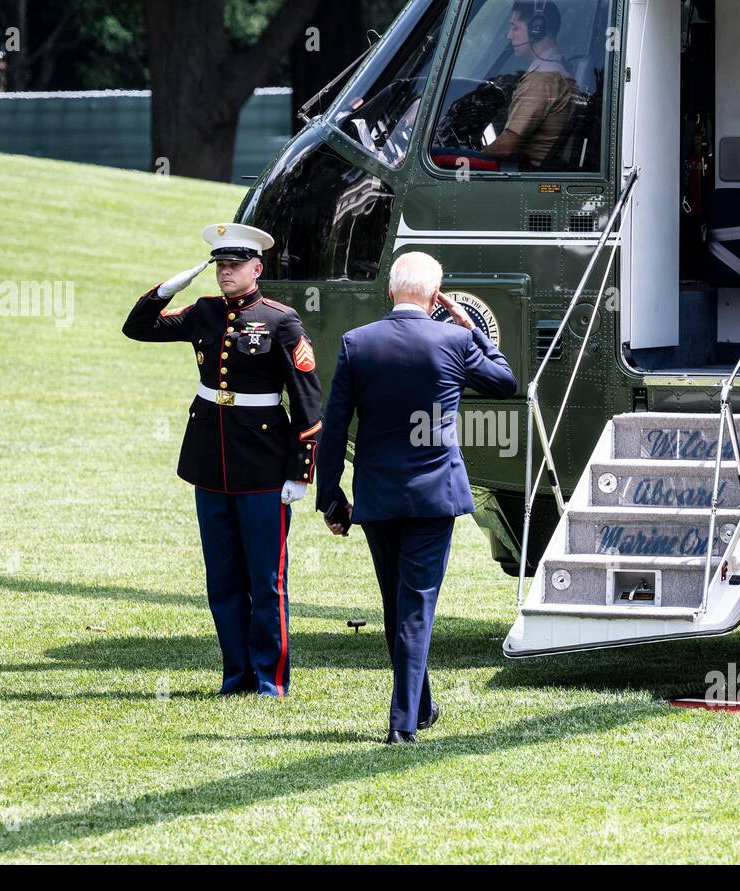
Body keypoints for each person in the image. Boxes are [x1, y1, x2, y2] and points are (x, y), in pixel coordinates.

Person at [315, 252, 517, 744]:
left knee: (395, 603)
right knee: (416, 606)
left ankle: (420, 707)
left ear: (390, 290)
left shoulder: (357, 343)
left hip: (377, 496)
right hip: (434, 495)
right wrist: (474, 329)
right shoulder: (454, 339)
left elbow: (334, 424)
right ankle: (403, 723)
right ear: (435, 296)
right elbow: (505, 383)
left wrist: (329, 499)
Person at [123, 224, 323, 699]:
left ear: (257, 268)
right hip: (210, 463)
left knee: (266, 581)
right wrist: (166, 290)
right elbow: (137, 329)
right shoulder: (204, 312)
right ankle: (234, 677)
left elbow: (309, 404)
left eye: (235, 265)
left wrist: (300, 471)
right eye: (220, 265)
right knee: (223, 581)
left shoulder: (281, 320)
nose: (226, 273)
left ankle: (269, 680)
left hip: (262, 465)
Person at [484, 1, 575, 168]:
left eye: (515, 28)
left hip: (523, 172)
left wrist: (478, 154)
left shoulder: (543, 78)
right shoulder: (558, 72)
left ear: (537, 29)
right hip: (534, 172)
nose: (509, 36)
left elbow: (506, 147)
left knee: (441, 157)